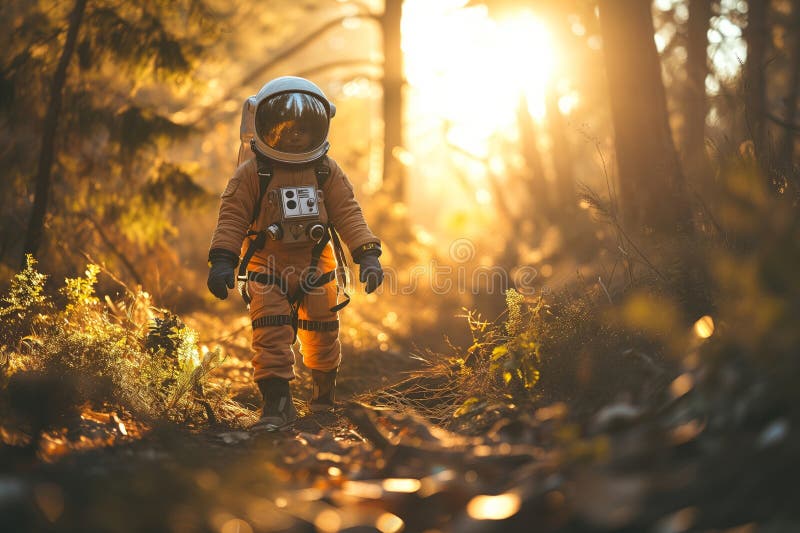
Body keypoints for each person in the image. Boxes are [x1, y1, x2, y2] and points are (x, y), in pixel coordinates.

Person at [206, 76, 383, 430]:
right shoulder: (254, 172)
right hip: (265, 264)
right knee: (270, 331)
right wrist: (222, 260)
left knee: (323, 330)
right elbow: (232, 216)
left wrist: (367, 254)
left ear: (320, 126)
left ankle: (322, 399)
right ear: (265, 127)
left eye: (304, 129)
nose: (295, 136)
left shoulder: (325, 170)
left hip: (318, 264)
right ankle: (277, 404)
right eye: (286, 129)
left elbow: (348, 212)